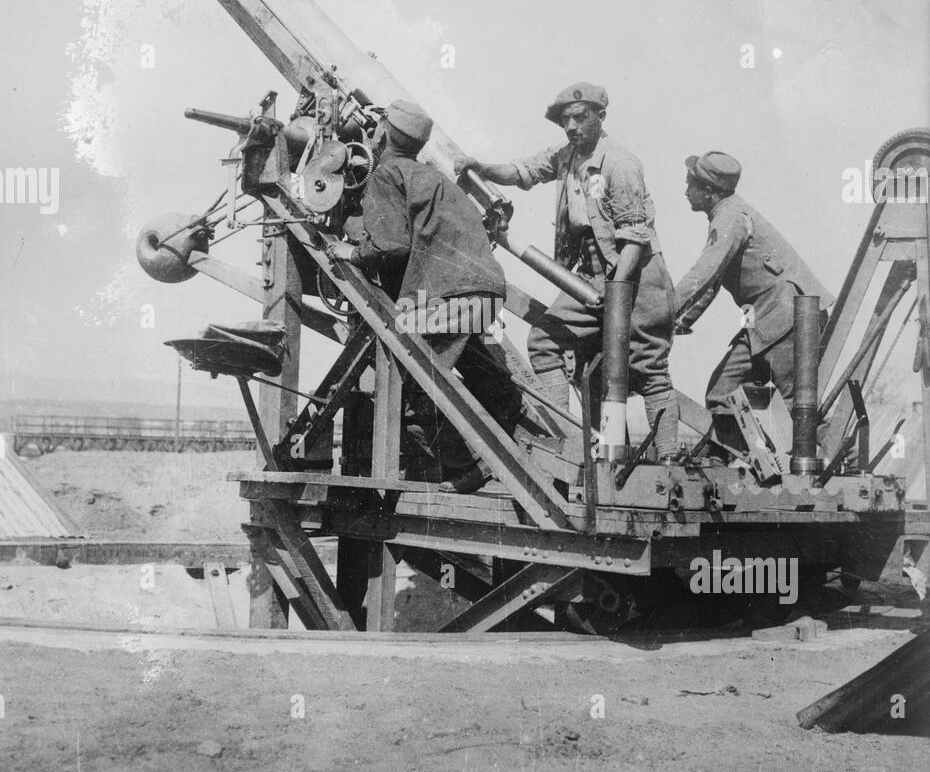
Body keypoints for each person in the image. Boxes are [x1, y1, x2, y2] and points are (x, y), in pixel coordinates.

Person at [455, 82, 679, 456]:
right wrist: (482, 168)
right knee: (547, 343)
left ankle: (669, 458)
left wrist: (618, 298)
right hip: (591, 278)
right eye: (565, 121)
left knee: (647, 367)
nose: (572, 126)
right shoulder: (567, 156)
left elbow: (634, 240)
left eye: (580, 117)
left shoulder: (620, 164)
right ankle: (572, 445)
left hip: (635, 277)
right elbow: (523, 171)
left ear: (600, 117)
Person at [334, 98, 522, 493]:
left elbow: (391, 247)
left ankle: (466, 469)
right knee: (493, 381)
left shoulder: (386, 175)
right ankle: (491, 460)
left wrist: (349, 250)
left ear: (382, 132)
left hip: (445, 295)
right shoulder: (437, 179)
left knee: (414, 384)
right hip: (485, 291)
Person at [674, 151, 834, 450]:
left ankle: (845, 465)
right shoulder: (729, 215)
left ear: (708, 192)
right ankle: (735, 460)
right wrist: (674, 322)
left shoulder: (729, 219)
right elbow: (710, 284)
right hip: (771, 320)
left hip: (786, 319)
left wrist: (662, 312)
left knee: (799, 410)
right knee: (722, 394)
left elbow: (704, 274)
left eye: (690, 185)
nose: (686, 192)